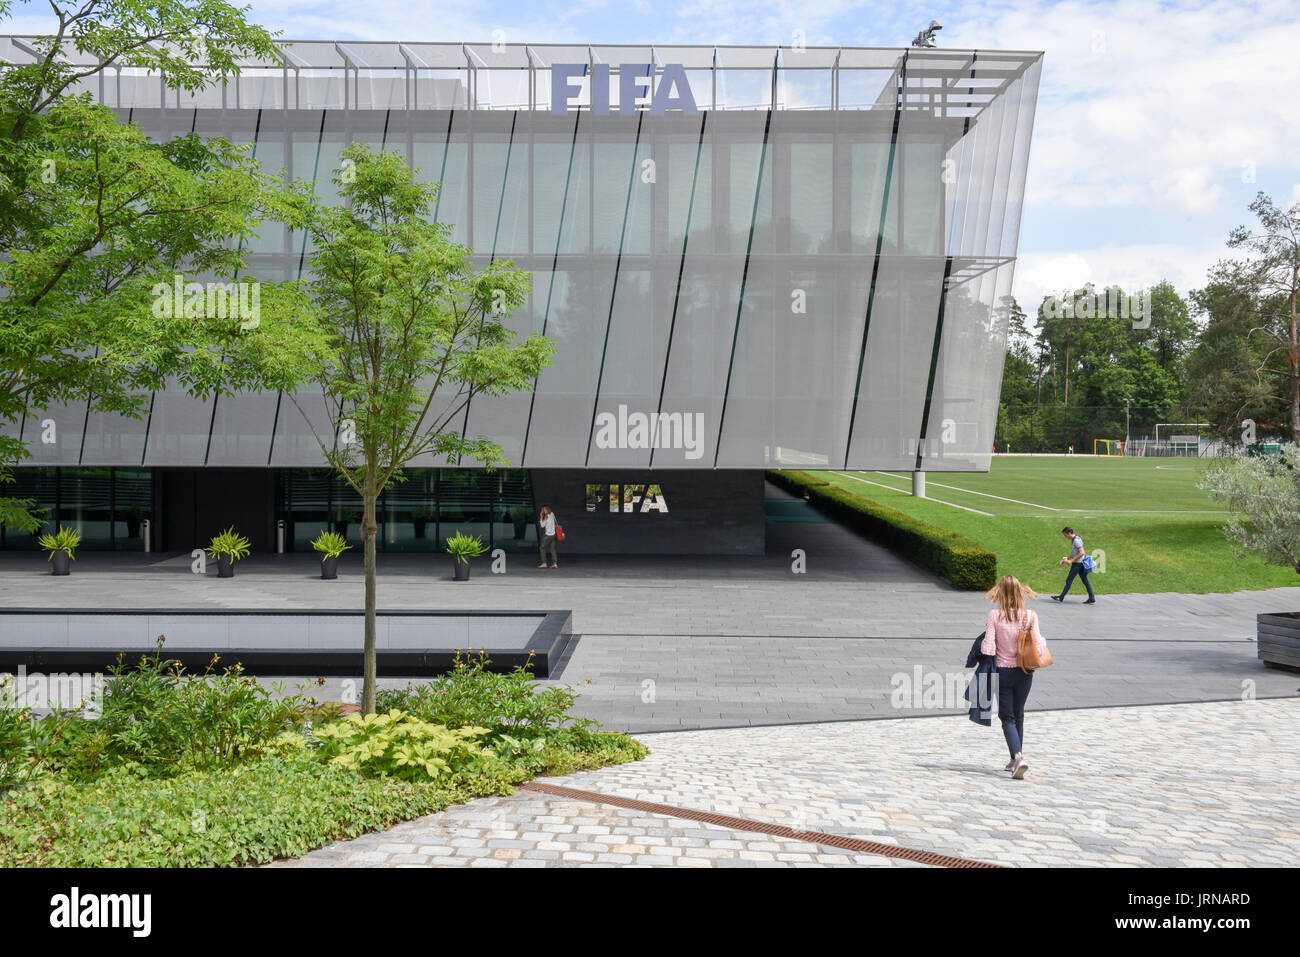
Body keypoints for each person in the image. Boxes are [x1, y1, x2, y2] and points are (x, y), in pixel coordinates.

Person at [983, 575, 1048, 779]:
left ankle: (1019, 756)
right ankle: (1014, 757)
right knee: (1018, 714)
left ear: (1000, 593)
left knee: (1007, 717)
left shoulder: (995, 616)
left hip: (1003, 672)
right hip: (1024, 672)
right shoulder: (1030, 616)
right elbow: (1038, 646)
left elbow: (988, 647)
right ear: (1021, 592)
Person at [1051, 526, 1096, 603]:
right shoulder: (1076, 538)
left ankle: (1061, 597)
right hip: (1080, 563)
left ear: (1069, 533)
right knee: (1085, 580)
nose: (1065, 537)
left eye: (1065, 535)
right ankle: (1092, 598)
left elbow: (1082, 552)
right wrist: (1067, 559)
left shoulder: (1076, 541)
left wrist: (1072, 561)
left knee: (1069, 580)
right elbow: (1075, 552)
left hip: (1077, 564)